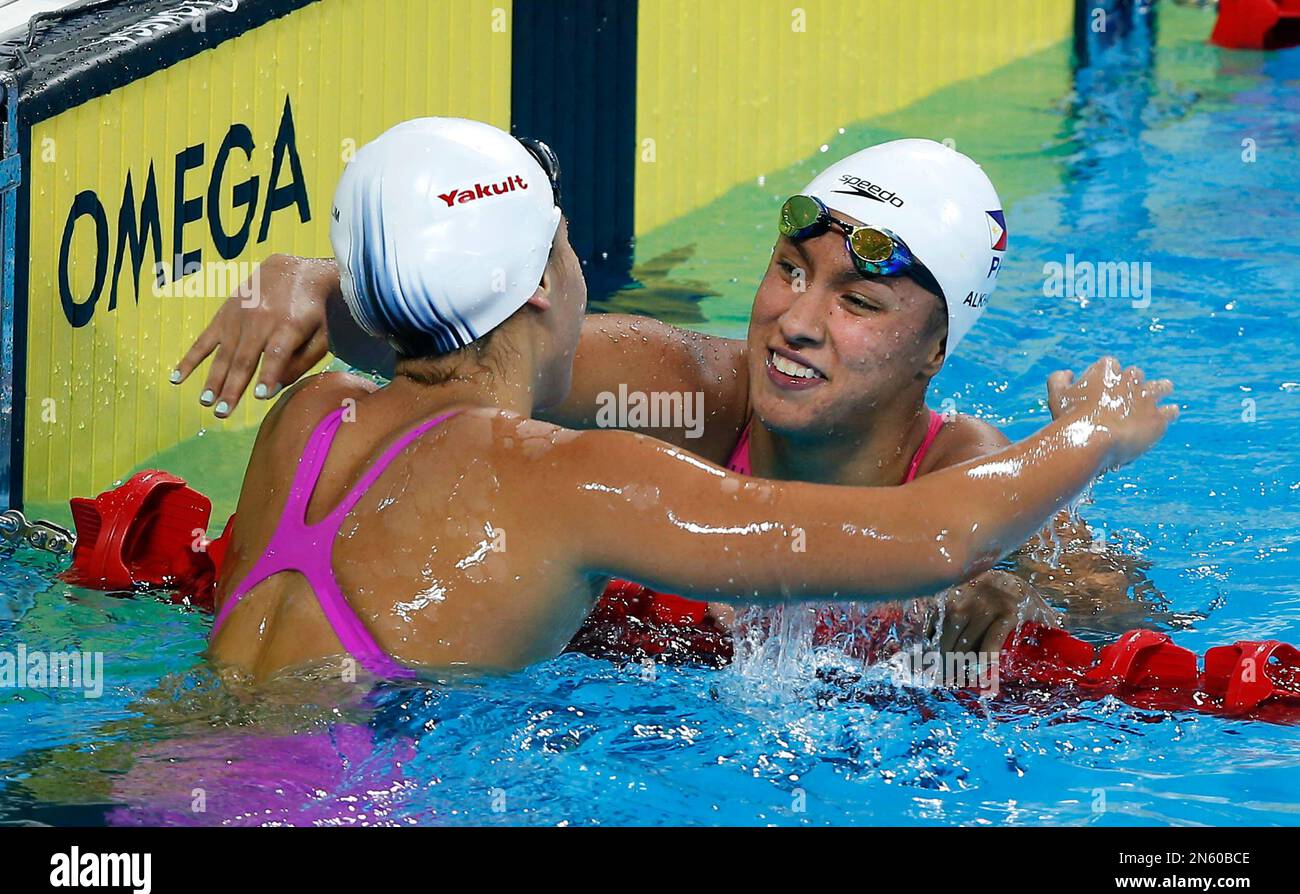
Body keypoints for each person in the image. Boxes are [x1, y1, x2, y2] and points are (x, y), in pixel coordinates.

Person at [205, 117, 1175, 682]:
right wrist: (321, 281)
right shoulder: (677, 400)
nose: (795, 321)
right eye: (788, 269)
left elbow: (1137, 636)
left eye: (858, 300)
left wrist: (1029, 560)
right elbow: (474, 335)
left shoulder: (976, 472)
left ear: (936, 348)